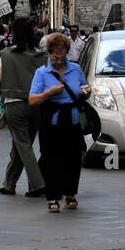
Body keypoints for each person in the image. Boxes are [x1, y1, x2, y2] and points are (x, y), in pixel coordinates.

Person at [28, 32, 90, 213]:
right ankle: (52, 196)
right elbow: (32, 99)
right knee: (51, 158)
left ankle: (70, 193)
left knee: (73, 157)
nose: (59, 62)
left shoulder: (75, 69)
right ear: (49, 54)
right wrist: (49, 93)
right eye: (55, 58)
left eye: (62, 58)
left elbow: (84, 89)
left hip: (72, 118)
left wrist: (86, 92)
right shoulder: (42, 73)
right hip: (51, 118)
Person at [0, 17, 46, 197]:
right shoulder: (42, 56)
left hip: (14, 103)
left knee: (22, 144)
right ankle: (9, 183)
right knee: (21, 144)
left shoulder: (6, 54)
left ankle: (38, 184)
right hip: (36, 104)